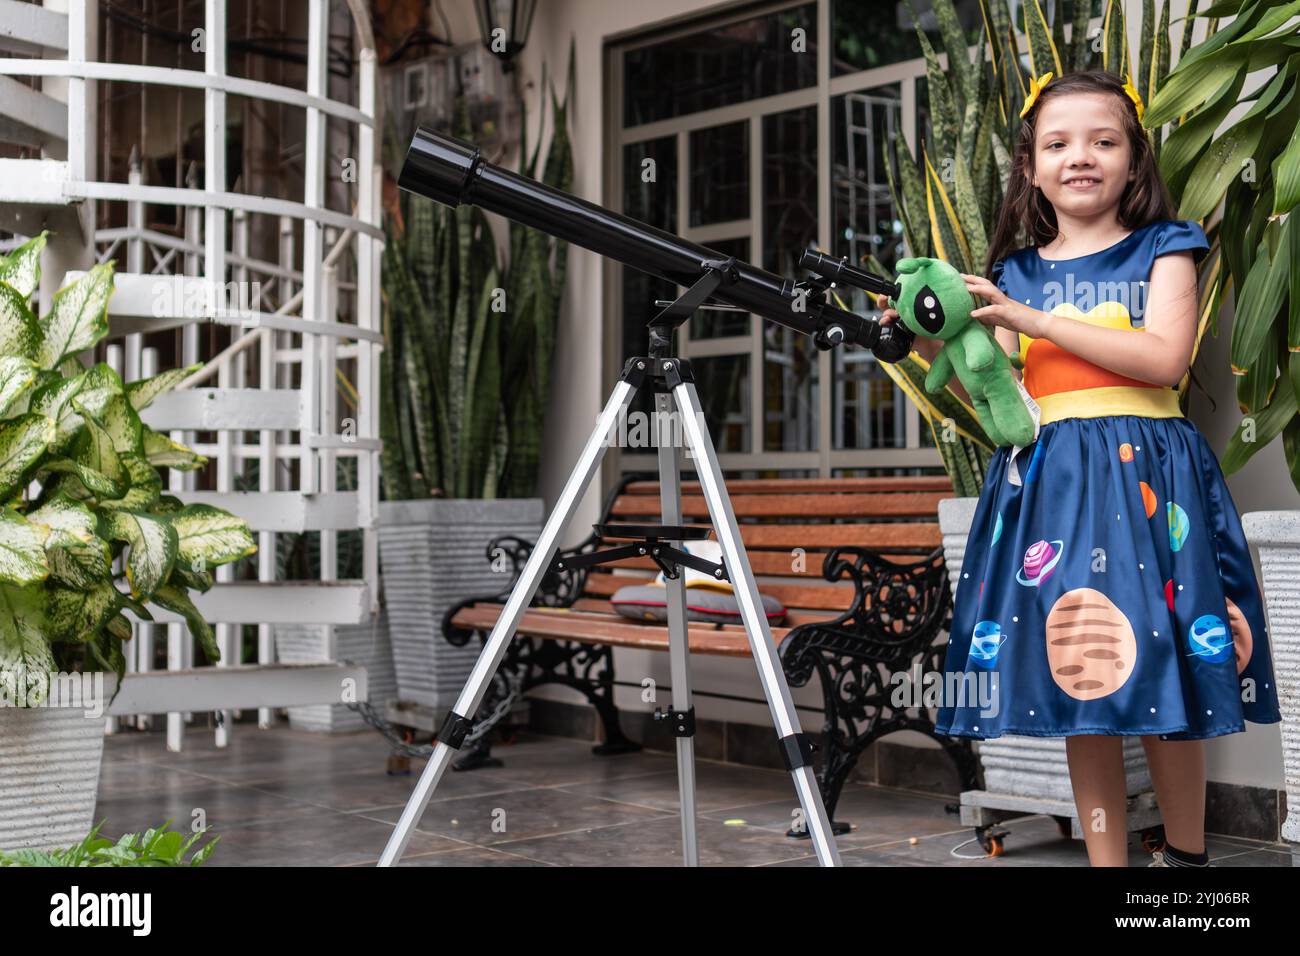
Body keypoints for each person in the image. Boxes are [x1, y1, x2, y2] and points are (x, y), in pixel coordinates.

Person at [877, 70, 1281, 868]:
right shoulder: (1015, 271)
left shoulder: (1167, 247)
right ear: (1030, 167)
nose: (1081, 157)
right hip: (1051, 490)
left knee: (1171, 667)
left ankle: (1187, 867)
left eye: (1104, 140)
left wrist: (1029, 318)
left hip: (1149, 483)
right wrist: (924, 339)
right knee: (1083, 679)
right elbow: (998, 399)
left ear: (1134, 160)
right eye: (1057, 144)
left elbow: (1164, 360)